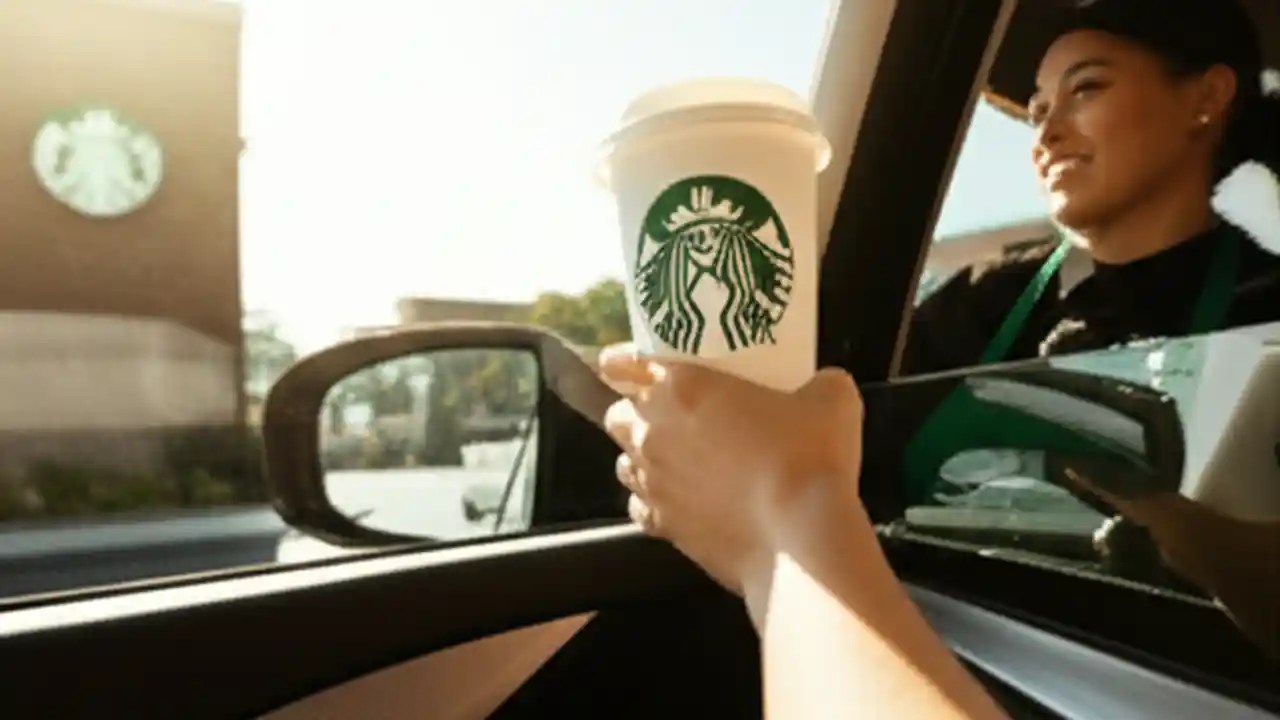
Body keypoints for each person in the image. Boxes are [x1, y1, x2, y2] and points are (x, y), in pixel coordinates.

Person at [600, 0, 1279, 716]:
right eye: (1036, 107)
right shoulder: (982, 299)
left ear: (1206, 97)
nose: (1046, 129)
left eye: (1086, 89)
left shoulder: (1262, 311)